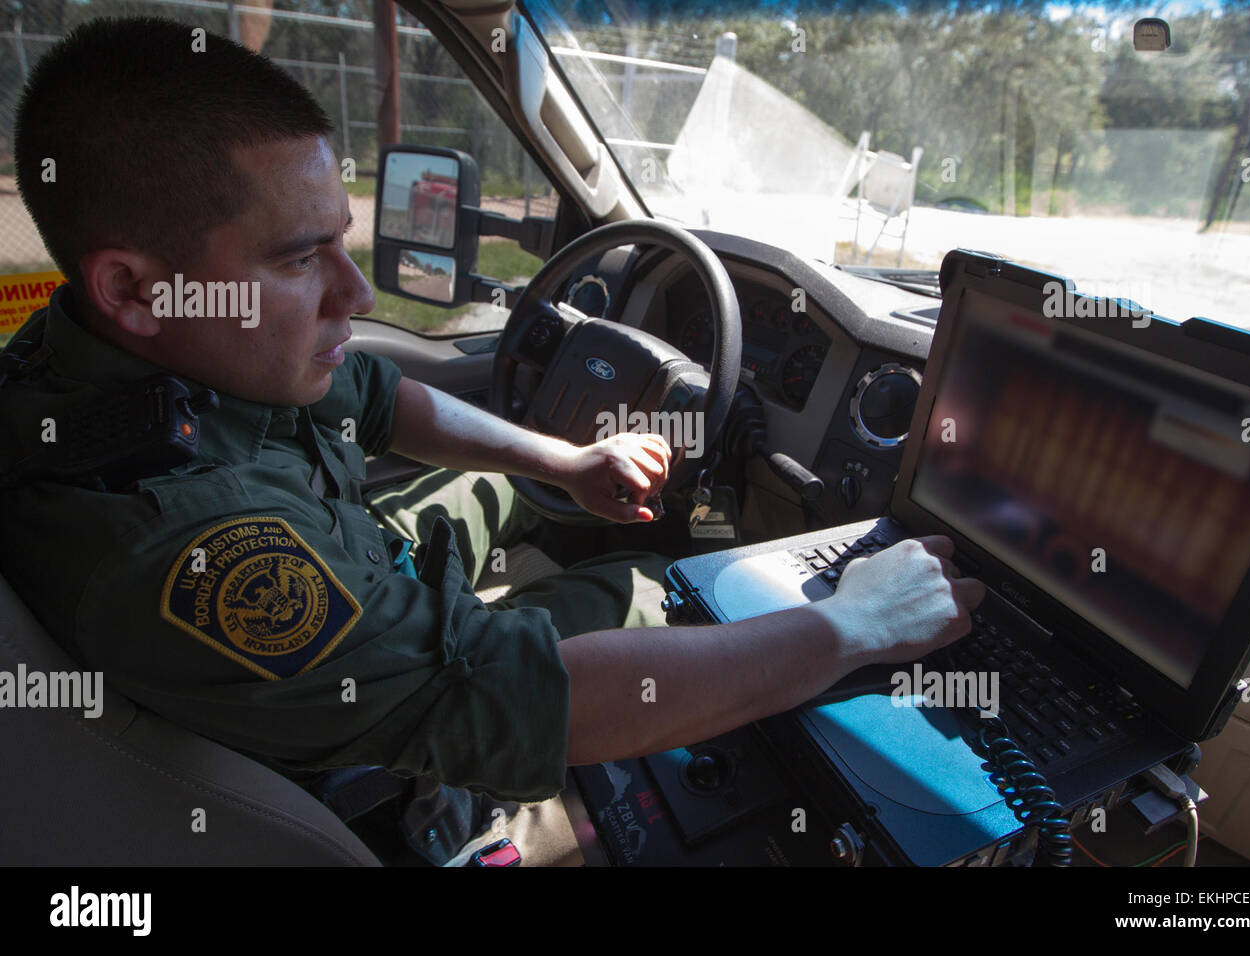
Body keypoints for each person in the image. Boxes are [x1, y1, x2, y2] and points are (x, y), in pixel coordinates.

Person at [0, 17, 985, 865]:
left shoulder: (122, 355)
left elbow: (376, 396)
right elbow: (513, 695)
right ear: (130, 287)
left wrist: (560, 459)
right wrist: (853, 624)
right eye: (299, 258)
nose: (351, 292)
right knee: (652, 580)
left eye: (342, 239)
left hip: (360, 555)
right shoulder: (193, 545)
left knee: (525, 493)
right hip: (370, 757)